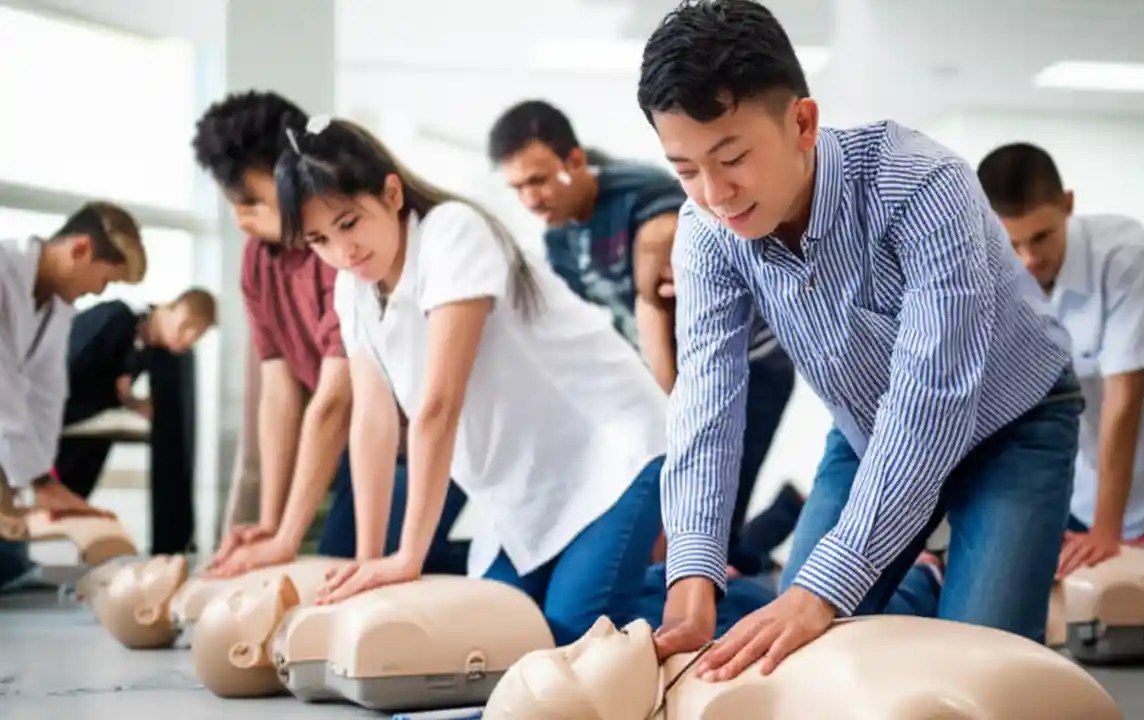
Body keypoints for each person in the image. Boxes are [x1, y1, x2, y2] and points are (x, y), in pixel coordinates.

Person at [635, 0, 1083, 680]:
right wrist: (692, 572)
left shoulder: (923, 186)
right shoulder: (706, 231)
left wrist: (826, 587)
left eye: (731, 158)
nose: (715, 194)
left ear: (802, 123)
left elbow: (931, 403)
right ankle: (920, 573)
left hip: (1013, 421)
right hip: (869, 426)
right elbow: (706, 400)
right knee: (796, 662)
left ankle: (938, 576)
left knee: (980, 674)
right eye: (686, 170)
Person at [272, 116, 771, 645]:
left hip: (612, 452)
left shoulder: (453, 232)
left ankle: (747, 601)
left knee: (575, 634)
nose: (342, 251)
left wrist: (406, 558)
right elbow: (371, 422)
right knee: (502, 636)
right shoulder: (354, 289)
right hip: (521, 488)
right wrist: (368, 563)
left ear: (392, 193)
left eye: (349, 223)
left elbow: (439, 404)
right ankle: (669, 587)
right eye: (320, 240)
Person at [486, 99, 798, 577]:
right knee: (699, 531)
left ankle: (768, 543)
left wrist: (670, 412)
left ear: (574, 161)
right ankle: (784, 516)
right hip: (676, 369)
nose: (531, 200)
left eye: (538, 179)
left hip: (748, 360)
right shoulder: (559, 242)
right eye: (518, 188)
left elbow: (654, 301)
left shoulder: (639, 192)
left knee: (707, 522)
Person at [191, 91, 466, 577]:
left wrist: (287, 538)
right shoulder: (260, 259)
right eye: (234, 204)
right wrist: (272, 526)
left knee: (348, 556)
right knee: (332, 560)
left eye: (252, 200)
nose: (241, 218)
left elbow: (337, 403)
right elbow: (279, 396)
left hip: (422, 453)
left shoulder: (351, 256)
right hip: (362, 452)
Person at [977, 142, 1144, 576]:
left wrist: (1107, 530)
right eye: (1013, 244)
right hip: (1084, 489)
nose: (1029, 259)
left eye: (1042, 237)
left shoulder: (1125, 255)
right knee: (1082, 629)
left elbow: (1123, 400)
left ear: (1068, 205)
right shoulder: (989, 277)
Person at [1, 201, 147, 588]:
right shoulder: (3, 270)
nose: (99, 291)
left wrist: (46, 478)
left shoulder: (57, 308)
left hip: (8, 440)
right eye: (106, 279)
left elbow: (46, 395)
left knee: (10, 561)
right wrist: (39, 481)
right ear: (80, 249)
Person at [55, 289, 217, 500]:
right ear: (169, 306)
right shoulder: (118, 318)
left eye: (196, 335)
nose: (186, 338)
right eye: (185, 325)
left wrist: (131, 401)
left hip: (80, 424)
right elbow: (64, 365)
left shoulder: (150, 351)